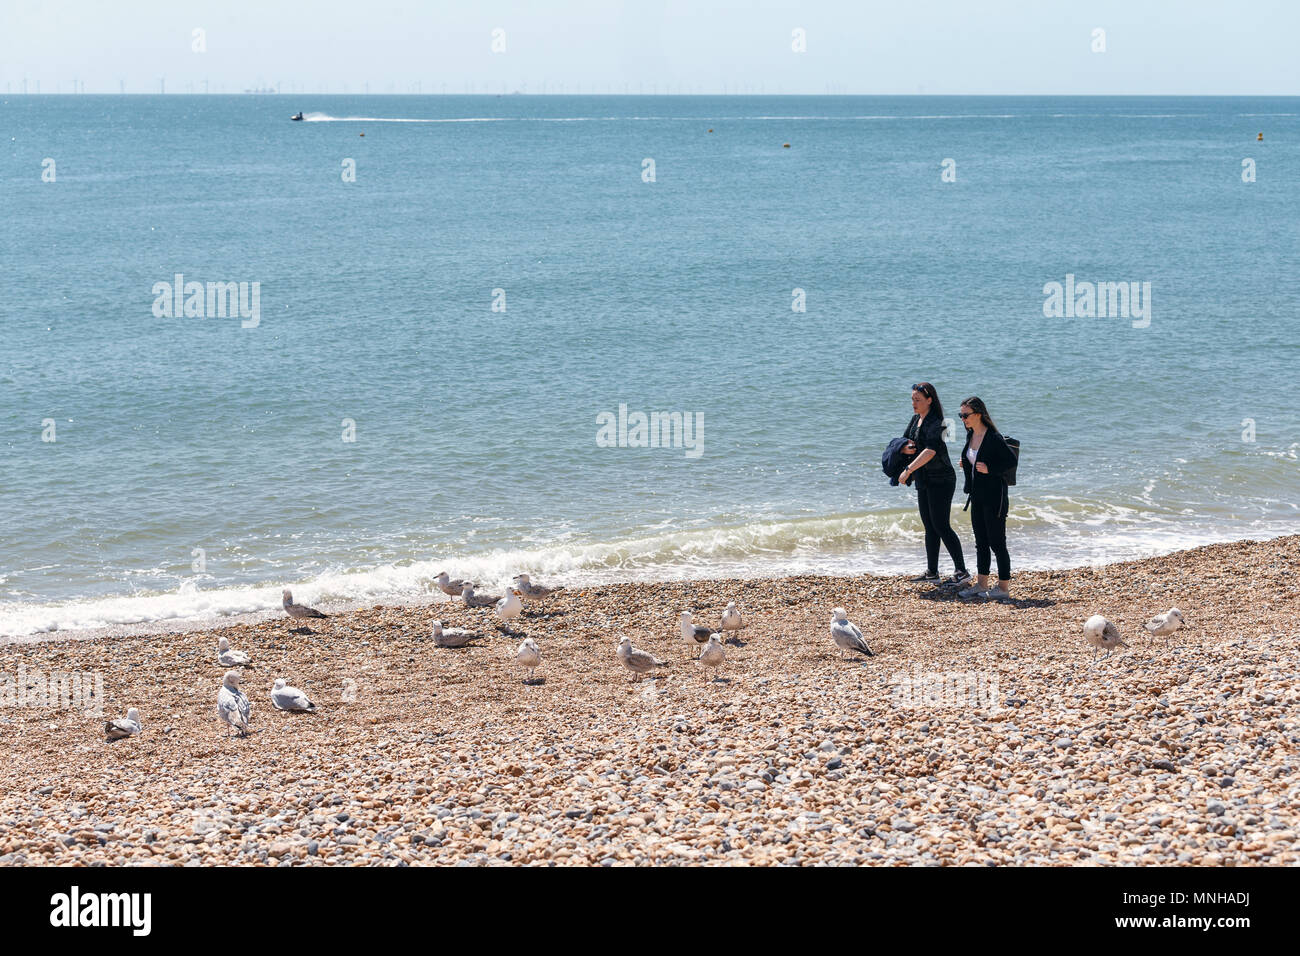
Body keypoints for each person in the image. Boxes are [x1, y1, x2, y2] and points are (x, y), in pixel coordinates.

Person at [900, 383, 969, 587]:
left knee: (941, 525)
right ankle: (932, 572)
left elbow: (930, 451)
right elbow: (905, 441)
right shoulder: (916, 419)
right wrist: (904, 449)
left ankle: (962, 571)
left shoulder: (938, 422)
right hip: (924, 479)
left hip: (942, 479)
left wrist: (908, 470)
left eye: (917, 400)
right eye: (912, 399)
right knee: (929, 526)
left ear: (929, 400)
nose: (913, 403)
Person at [956, 396, 1016, 601]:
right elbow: (972, 458)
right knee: (981, 542)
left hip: (995, 497)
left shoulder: (993, 437)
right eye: (961, 415)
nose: (963, 419)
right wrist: (966, 462)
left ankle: (1003, 587)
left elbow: (1010, 461)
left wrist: (990, 469)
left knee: (997, 543)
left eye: (966, 415)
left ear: (978, 414)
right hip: (977, 496)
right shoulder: (970, 435)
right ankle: (981, 584)